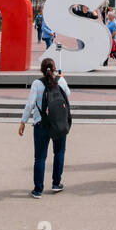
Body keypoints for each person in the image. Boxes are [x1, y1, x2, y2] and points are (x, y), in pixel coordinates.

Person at [20, 57, 72, 197]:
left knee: (40, 158)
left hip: (41, 123)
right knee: (59, 153)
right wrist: (62, 79)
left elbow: (30, 104)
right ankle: (56, 183)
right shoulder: (60, 81)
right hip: (59, 123)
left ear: (41, 70)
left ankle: (38, 189)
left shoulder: (37, 83)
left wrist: (23, 121)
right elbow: (67, 94)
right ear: (55, 69)